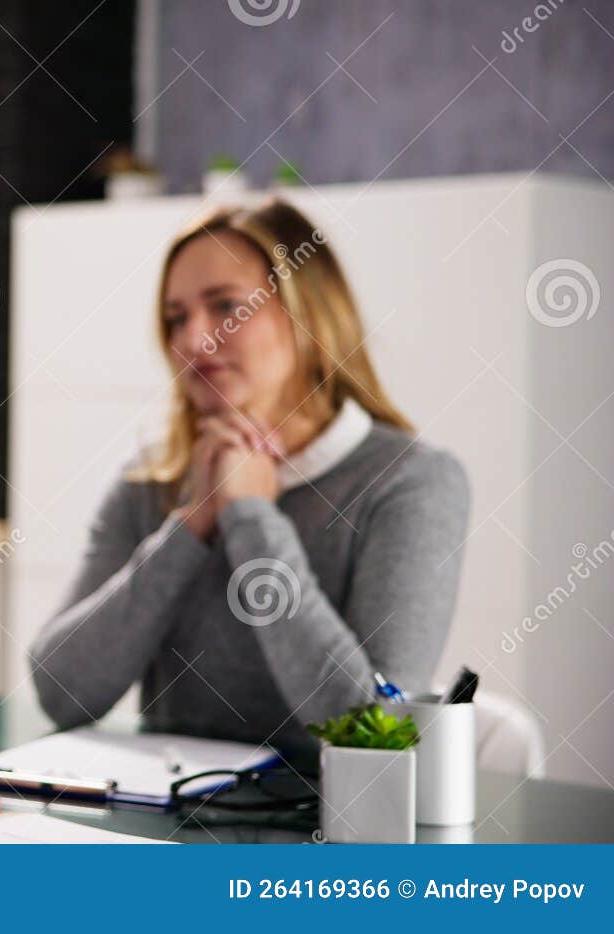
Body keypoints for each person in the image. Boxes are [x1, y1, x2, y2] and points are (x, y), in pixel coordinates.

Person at [28, 198, 470, 757]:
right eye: (176, 318)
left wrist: (251, 519)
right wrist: (191, 524)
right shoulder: (152, 480)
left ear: (308, 314)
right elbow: (61, 693)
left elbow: (372, 731)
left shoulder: (412, 484)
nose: (193, 341)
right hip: (172, 808)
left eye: (225, 307)